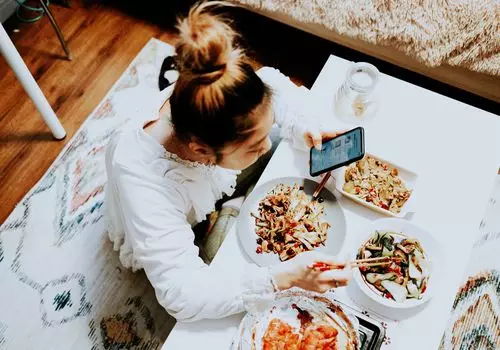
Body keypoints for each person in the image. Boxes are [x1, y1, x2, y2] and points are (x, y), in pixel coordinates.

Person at [104, 1, 350, 322]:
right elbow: (183, 295)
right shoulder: (147, 183)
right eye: (253, 147)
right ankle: (227, 211)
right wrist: (282, 278)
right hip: (160, 210)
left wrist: (308, 127)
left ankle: (230, 205)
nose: (264, 148)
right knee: (218, 262)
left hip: (206, 170)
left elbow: (273, 85)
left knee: (285, 147)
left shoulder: (217, 97)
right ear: (202, 151)